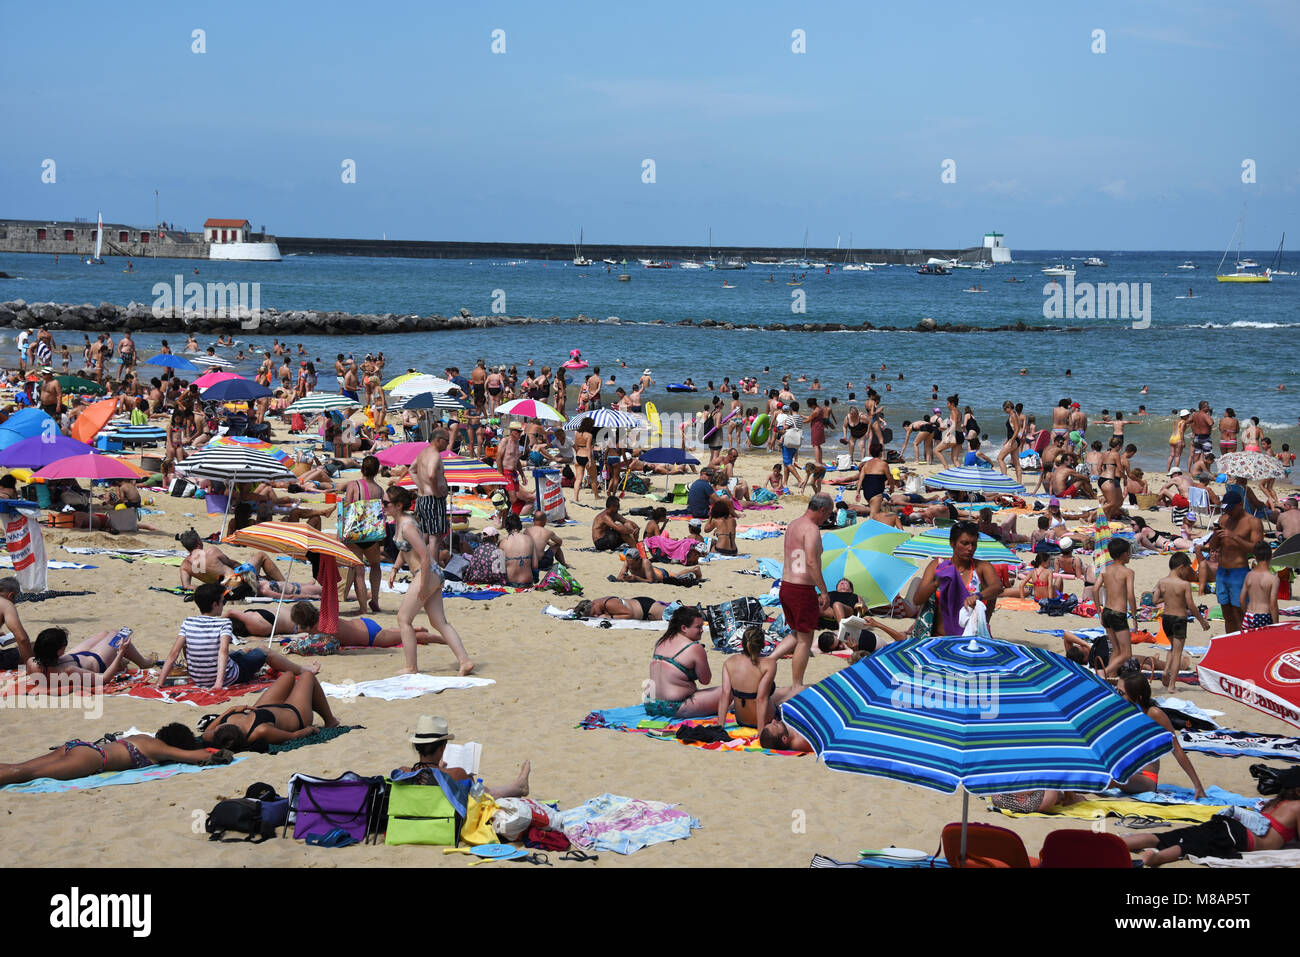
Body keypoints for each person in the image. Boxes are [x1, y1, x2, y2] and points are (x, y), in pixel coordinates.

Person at [155, 583, 315, 690]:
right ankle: (303, 669)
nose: (224, 605)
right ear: (215, 605)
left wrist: (160, 683)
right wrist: (219, 684)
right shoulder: (223, 624)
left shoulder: (187, 622)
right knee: (265, 651)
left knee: (243, 652)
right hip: (229, 677)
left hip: (198, 678)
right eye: (223, 602)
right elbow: (222, 652)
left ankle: (242, 659)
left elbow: (173, 654)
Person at [385, 487, 474, 675]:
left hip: (426, 572)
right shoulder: (402, 523)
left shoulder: (407, 525)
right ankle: (465, 661)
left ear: (398, 505)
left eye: (386, 503)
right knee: (439, 622)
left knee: (403, 619)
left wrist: (424, 585)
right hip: (431, 573)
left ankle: (411, 666)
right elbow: (405, 549)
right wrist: (394, 569)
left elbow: (425, 556)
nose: (382, 506)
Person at [1123, 780, 1299, 867]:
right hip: (1238, 836)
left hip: (1228, 824)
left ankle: (1120, 842)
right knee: (1193, 846)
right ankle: (1156, 858)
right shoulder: (1297, 807)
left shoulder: (1276, 803)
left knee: (1169, 837)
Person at [0, 724, 233, 786]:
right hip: (92, 759)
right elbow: (194, 756)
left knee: (20, 767)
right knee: (24, 774)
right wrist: (212, 752)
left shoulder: (144, 738)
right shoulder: (159, 748)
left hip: (79, 746)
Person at [770, 494, 835, 689]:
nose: (828, 519)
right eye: (829, 514)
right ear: (822, 510)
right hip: (801, 588)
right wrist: (823, 591)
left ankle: (770, 659)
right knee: (806, 639)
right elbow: (811, 562)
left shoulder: (793, 524)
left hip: (786, 585)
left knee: (798, 633)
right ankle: (797, 684)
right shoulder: (812, 529)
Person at [199, 669, 340, 751]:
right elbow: (292, 736)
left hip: (263, 709)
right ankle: (330, 720)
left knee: (289, 675)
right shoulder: (261, 731)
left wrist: (228, 711)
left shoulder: (216, 735)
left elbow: (206, 733)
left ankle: (299, 695)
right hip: (294, 713)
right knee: (307, 676)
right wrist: (308, 730)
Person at [910, 521, 1004, 638]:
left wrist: (977, 596)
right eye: (965, 543)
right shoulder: (938, 566)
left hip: (970, 638)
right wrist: (936, 583)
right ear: (952, 543)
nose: (970, 548)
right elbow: (917, 600)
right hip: (938, 636)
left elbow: (998, 587)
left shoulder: (981, 567)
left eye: (973, 544)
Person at [394, 715, 530, 797]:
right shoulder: (456, 774)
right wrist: (465, 775)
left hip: (413, 823)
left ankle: (518, 787)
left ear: (417, 746)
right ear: (442, 748)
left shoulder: (402, 773)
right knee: (482, 791)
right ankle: (517, 787)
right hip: (445, 824)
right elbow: (478, 796)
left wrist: (438, 769)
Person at [645, 606, 720, 718]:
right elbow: (705, 680)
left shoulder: (662, 642)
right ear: (684, 628)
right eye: (698, 627)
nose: (702, 630)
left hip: (650, 704)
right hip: (676, 706)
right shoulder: (694, 648)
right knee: (729, 691)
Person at [718, 625, 796, 729]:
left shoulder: (729, 662)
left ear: (742, 644)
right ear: (763, 645)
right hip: (765, 719)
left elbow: (725, 694)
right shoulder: (769, 664)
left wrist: (720, 726)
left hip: (741, 720)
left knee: (778, 693)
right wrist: (760, 730)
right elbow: (761, 699)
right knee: (788, 692)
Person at [1152, 552, 1210, 690]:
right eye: (1187, 568)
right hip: (1179, 619)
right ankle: (1172, 685)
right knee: (1178, 652)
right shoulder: (1184, 584)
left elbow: (1155, 601)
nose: (1187, 572)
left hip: (1166, 619)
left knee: (1172, 647)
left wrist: (1167, 598)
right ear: (1181, 567)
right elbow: (1191, 605)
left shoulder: (1162, 581)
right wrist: (1202, 621)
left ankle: (1166, 670)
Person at [339, 455, 385, 614]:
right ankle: (376, 600)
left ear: (362, 469)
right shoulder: (379, 490)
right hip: (371, 533)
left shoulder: (354, 485)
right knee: (375, 566)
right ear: (377, 471)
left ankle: (363, 608)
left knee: (359, 571)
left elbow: (347, 506)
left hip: (355, 532)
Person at [1213, 490, 1263, 634]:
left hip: (1239, 571)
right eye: (1226, 508)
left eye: (1231, 508)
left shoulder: (1253, 522)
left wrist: (1234, 537)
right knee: (1227, 612)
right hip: (1222, 571)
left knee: (1240, 611)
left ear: (1240, 505)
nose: (1228, 511)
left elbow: (1257, 549)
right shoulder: (1223, 519)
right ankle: (1231, 641)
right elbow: (1214, 547)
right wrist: (1216, 535)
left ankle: (1244, 643)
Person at [178, 529, 285, 589]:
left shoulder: (185, 565)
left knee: (263, 576)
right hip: (237, 582)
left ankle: (268, 580)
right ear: (198, 542)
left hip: (222, 588)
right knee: (261, 556)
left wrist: (208, 589)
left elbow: (186, 586)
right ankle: (284, 584)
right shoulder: (210, 552)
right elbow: (231, 563)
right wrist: (249, 571)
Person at [1097, 539, 1138, 678]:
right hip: (1118, 613)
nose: (1130, 556)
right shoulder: (1128, 572)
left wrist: (1099, 612)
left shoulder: (1105, 569)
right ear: (1123, 554)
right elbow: (1131, 596)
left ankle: (1109, 677)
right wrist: (1134, 616)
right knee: (1126, 653)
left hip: (1107, 611)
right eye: (1128, 553)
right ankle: (1104, 673)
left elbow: (1095, 589)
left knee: (1116, 650)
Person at [411, 426, 451, 551]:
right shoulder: (435, 455)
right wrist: (436, 492)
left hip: (423, 499)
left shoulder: (423, 453)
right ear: (439, 440)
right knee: (435, 537)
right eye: (447, 440)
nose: (448, 443)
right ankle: (433, 568)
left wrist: (421, 486)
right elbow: (431, 474)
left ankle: (424, 564)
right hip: (433, 499)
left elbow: (411, 469)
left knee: (425, 534)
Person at [1241, 541, 1280, 630]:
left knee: (1249, 643)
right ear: (1271, 556)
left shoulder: (1249, 575)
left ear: (1255, 557)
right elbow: (1273, 603)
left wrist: (1246, 614)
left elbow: (1242, 600)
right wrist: (1276, 624)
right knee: (1265, 643)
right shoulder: (1273, 578)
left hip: (1248, 616)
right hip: (1263, 616)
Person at [0, 577, 31, 668]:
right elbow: (22, 639)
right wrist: (29, 666)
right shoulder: (6, 604)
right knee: (36, 648)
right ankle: (24, 670)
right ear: (11, 595)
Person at [499, 513, 537, 587]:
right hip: (527, 582)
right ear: (520, 526)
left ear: (507, 527)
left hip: (510, 582)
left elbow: (500, 567)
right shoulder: (529, 539)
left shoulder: (503, 543)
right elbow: (535, 565)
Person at [571, 596, 673, 621]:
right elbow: (582, 607)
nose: (596, 615)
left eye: (594, 613)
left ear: (593, 605)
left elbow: (629, 614)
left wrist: (608, 616)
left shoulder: (608, 604)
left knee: (677, 616)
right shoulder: (594, 604)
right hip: (638, 605)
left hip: (647, 608)